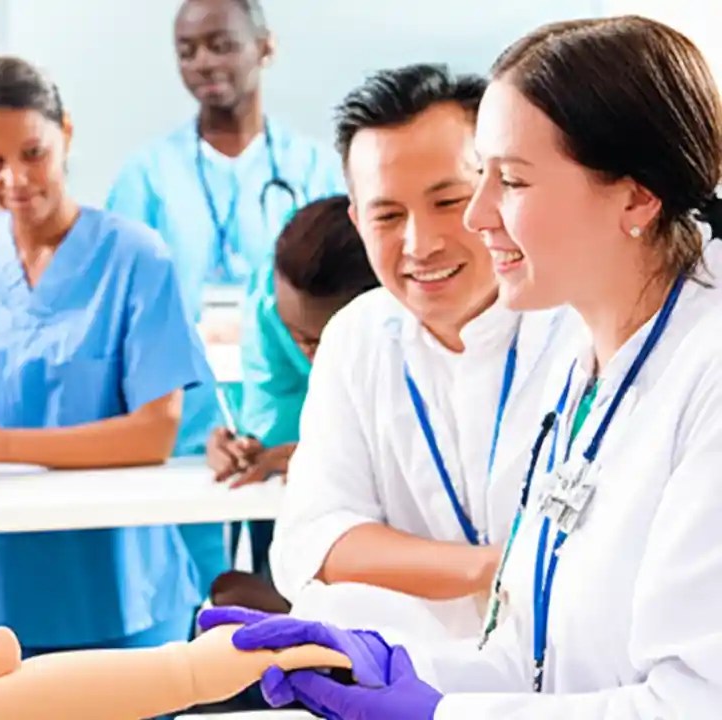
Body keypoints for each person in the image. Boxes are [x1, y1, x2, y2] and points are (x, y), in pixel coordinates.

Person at [203, 16, 722, 718]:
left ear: (635, 195)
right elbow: (536, 659)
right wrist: (385, 669)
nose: (476, 218)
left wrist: (437, 711)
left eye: (505, 180)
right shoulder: (592, 362)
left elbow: (693, 703)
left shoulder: (703, 371)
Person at [0, 56, 208, 660]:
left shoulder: (136, 258)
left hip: (128, 597)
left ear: (68, 134)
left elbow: (155, 433)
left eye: (33, 153)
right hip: (7, 606)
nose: (15, 179)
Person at [266, 64, 573, 642]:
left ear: (498, 189)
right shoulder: (357, 336)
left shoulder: (578, 320)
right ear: (358, 221)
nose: (420, 244)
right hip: (416, 682)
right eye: (387, 215)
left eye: (447, 201)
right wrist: (491, 566)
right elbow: (312, 540)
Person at [107, 0, 345, 599]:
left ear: (265, 46)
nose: (203, 62)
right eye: (186, 51)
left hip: (299, 423)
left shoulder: (315, 168)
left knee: (296, 587)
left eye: (221, 44)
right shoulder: (145, 178)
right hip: (189, 426)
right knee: (194, 597)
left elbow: (348, 302)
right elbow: (126, 316)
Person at [206, 195, 378, 583]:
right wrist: (240, 447)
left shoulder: (410, 328)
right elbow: (271, 432)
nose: (310, 355)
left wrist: (316, 454)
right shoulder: (268, 307)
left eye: (321, 341)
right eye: (297, 338)